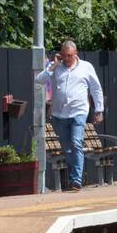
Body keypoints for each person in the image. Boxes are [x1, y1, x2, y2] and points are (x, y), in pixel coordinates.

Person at [36, 40, 104, 191]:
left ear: (76, 54)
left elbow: (96, 89)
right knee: (67, 149)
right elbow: (39, 80)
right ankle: (74, 177)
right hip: (60, 114)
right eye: (64, 55)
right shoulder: (55, 67)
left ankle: (76, 180)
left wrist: (99, 110)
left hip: (79, 112)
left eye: (69, 56)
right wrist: (53, 66)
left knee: (76, 142)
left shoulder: (86, 67)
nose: (66, 59)